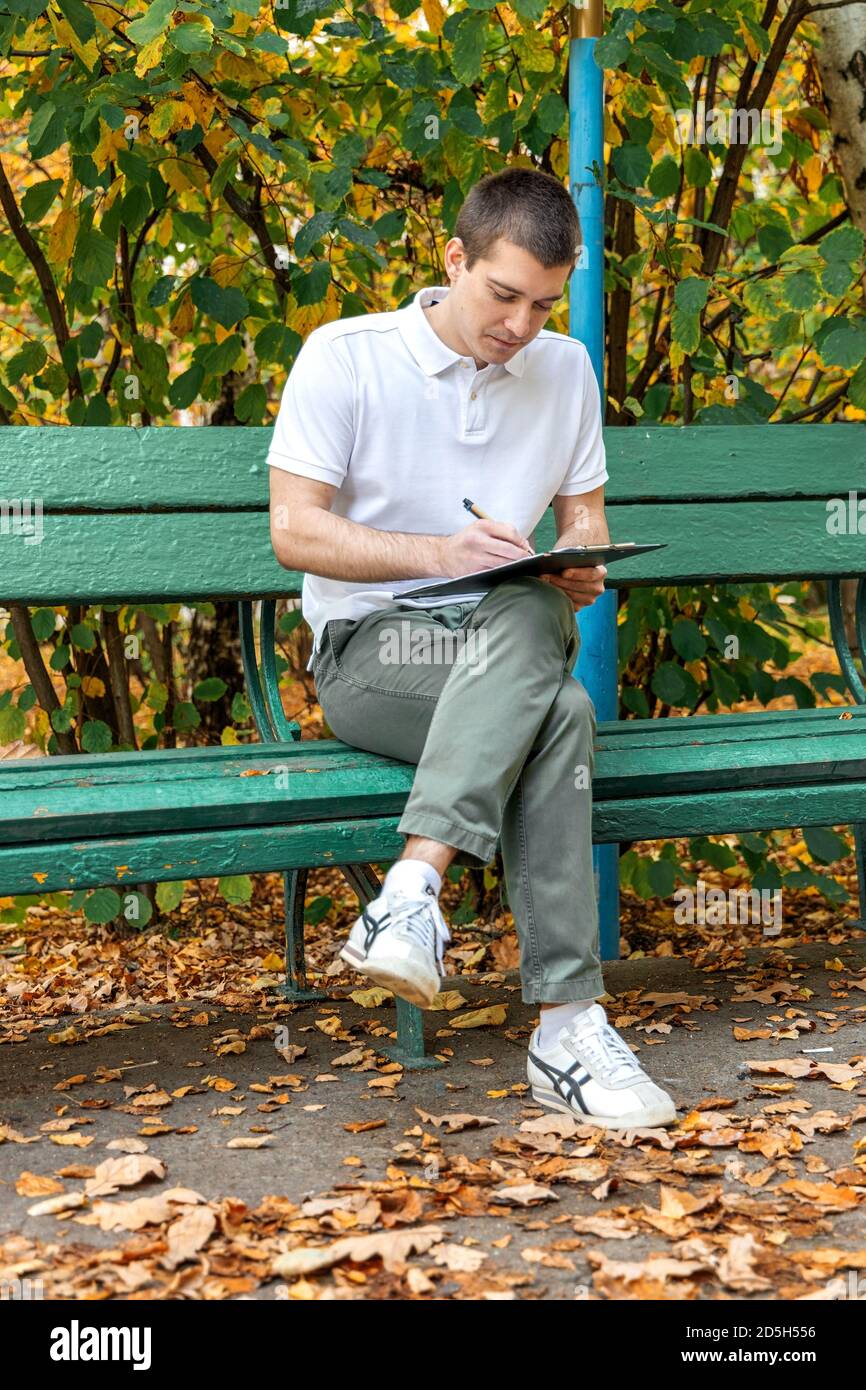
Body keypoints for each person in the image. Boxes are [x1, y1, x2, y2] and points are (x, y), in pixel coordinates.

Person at [267, 166, 676, 1130]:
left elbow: (582, 519)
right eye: (503, 296)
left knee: (540, 628)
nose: (521, 326)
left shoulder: (566, 370)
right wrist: (442, 553)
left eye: (544, 303)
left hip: (501, 644)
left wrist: (577, 562)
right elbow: (295, 532)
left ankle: (413, 892)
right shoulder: (346, 356)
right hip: (374, 652)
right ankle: (567, 1028)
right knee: (558, 704)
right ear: (455, 260)